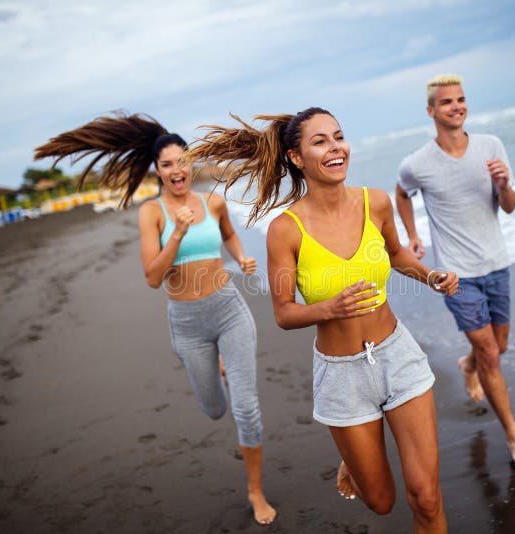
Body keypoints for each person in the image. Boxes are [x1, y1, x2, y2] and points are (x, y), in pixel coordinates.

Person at [184, 108, 459, 533]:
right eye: (321, 142)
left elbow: (397, 253)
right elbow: (284, 313)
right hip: (342, 376)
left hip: (398, 356)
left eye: (339, 137)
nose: (336, 148)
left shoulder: (377, 203)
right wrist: (330, 308)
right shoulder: (286, 230)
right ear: (297, 157)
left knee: (427, 496)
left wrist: (432, 276)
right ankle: (352, 460)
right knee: (382, 502)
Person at [33, 113, 277, 525]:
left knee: (247, 409)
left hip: (229, 309)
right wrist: (178, 234)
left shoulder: (212, 202)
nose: (177, 170)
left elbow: (229, 233)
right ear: (157, 170)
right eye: (167, 164)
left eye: (182, 161)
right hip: (188, 323)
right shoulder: (153, 213)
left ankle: (255, 490)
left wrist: (242, 257)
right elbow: (151, 277)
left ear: (190, 163)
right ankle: (216, 366)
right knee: (215, 410)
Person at [395, 74, 515, 474]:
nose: (456, 106)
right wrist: (412, 235)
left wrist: (503, 183)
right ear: (431, 111)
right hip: (456, 274)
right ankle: (514, 435)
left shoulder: (491, 146)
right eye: (447, 102)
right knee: (491, 353)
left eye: (461, 100)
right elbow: (401, 191)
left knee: (500, 346)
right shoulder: (418, 163)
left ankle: (468, 364)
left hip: (497, 263)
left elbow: (508, 206)